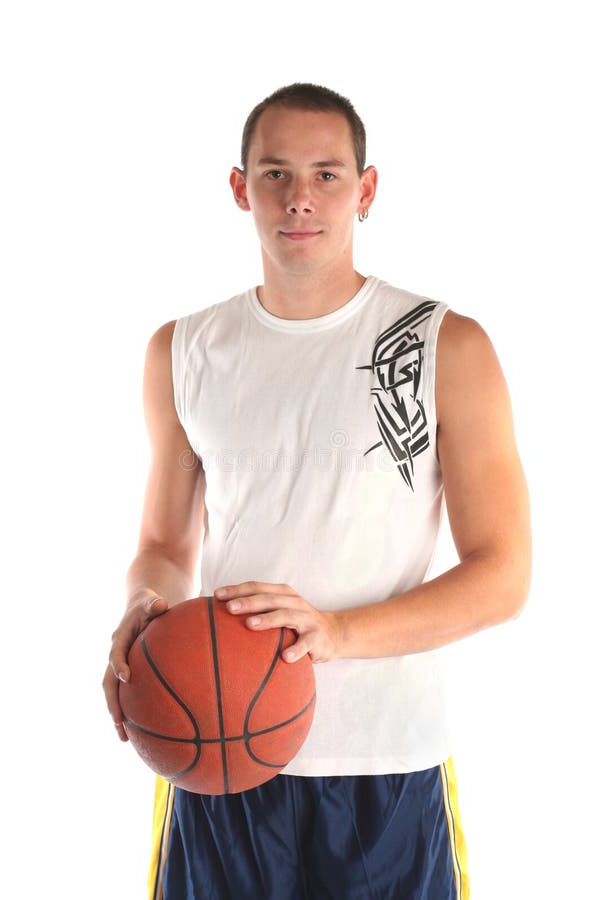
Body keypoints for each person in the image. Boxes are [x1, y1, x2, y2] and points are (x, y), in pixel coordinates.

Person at [103, 82, 532, 900]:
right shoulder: (183, 349)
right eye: (275, 174)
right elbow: (163, 548)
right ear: (240, 188)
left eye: (328, 175)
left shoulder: (444, 345)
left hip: (385, 760)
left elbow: (504, 574)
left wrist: (336, 633)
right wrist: (143, 608)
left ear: (366, 190)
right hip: (214, 755)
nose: (301, 198)